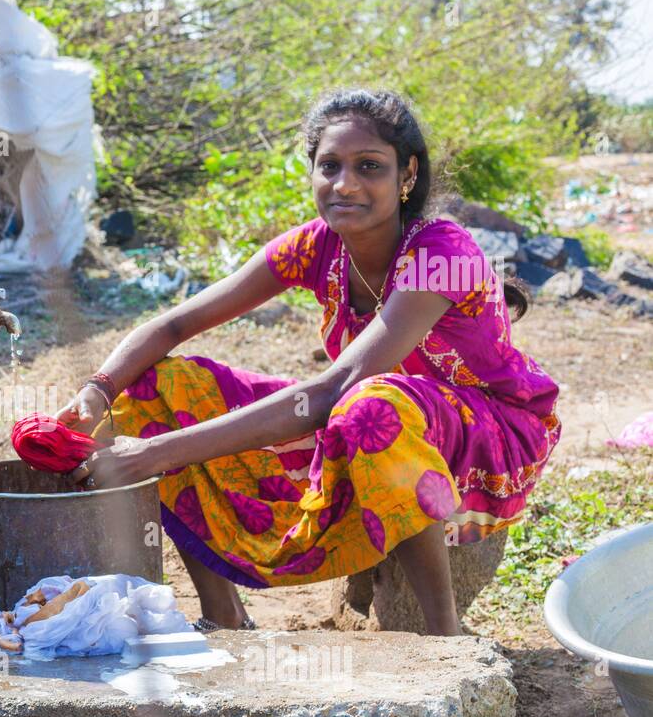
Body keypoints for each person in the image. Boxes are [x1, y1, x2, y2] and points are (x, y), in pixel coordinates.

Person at [58, 90, 560, 637]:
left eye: (369, 167)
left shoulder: (444, 253)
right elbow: (174, 326)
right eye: (330, 166)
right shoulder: (316, 247)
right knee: (158, 384)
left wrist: (150, 455)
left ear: (407, 175)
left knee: (375, 405)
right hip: (365, 416)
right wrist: (98, 391)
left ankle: (445, 637)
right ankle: (223, 614)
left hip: (487, 432)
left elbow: (336, 386)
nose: (344, 184)